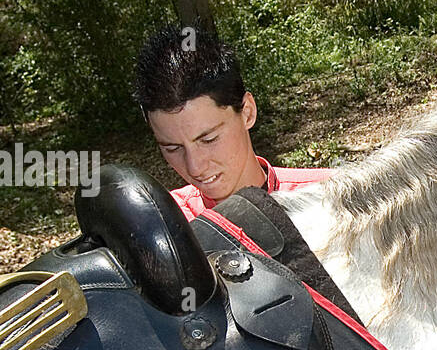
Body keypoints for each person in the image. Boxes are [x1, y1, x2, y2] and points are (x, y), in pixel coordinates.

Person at [132, 24, 330, 215]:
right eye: (172, 148)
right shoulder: (164, 224)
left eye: (208, 139)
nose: (195, 167)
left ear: (247, 112)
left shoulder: (329, 199)